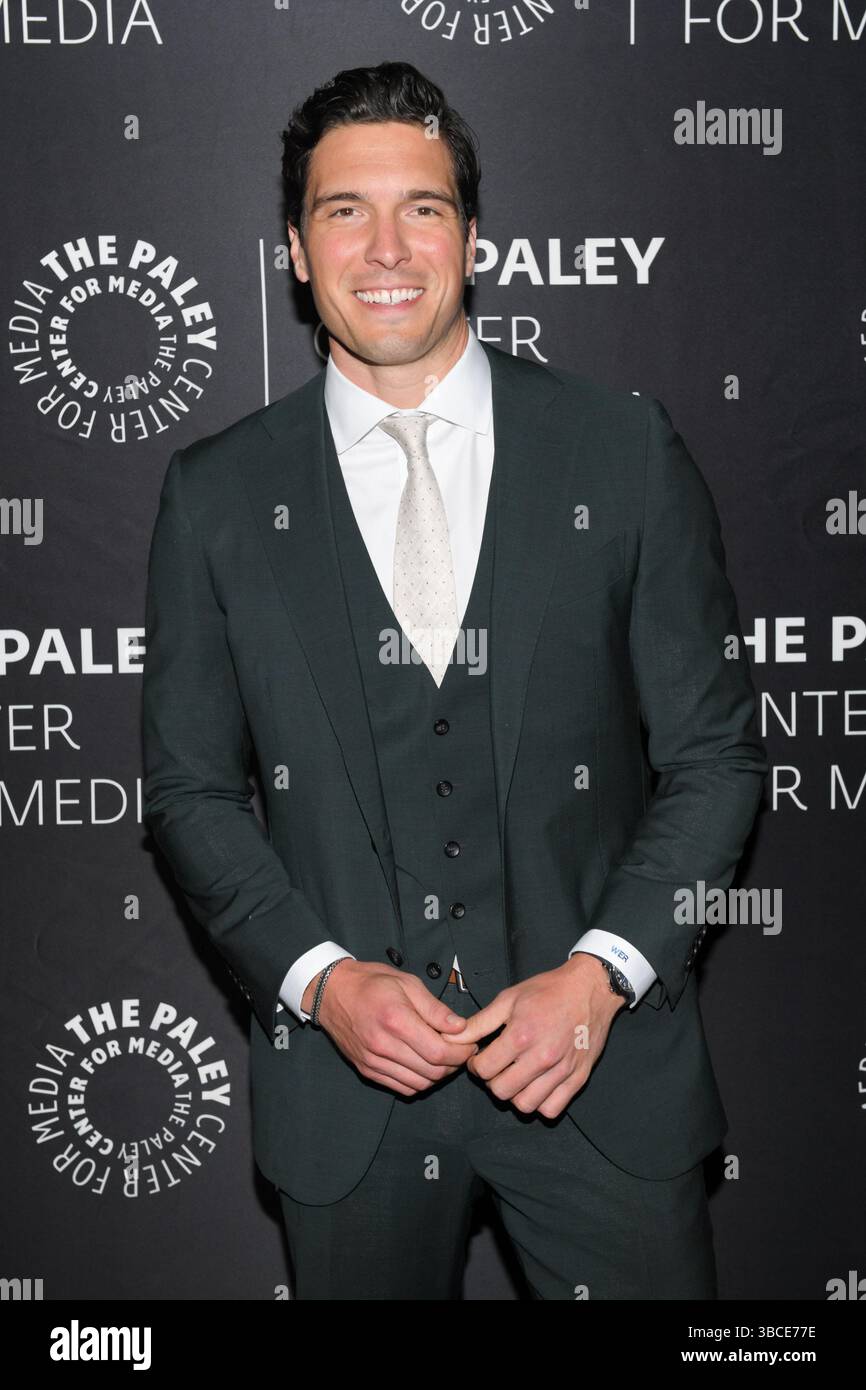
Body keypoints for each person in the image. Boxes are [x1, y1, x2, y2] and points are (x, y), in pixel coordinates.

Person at [141, 60, 768, 1300]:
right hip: (346, 1105)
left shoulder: (619, 447)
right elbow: (190, 795)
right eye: (343, 210)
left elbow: (713, 760)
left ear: (471, 238)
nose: (385, 246)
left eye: (420, 207)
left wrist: (600, 973)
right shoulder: (214, 494)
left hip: (602, 1083)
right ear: (294, 246)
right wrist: (323, 983)